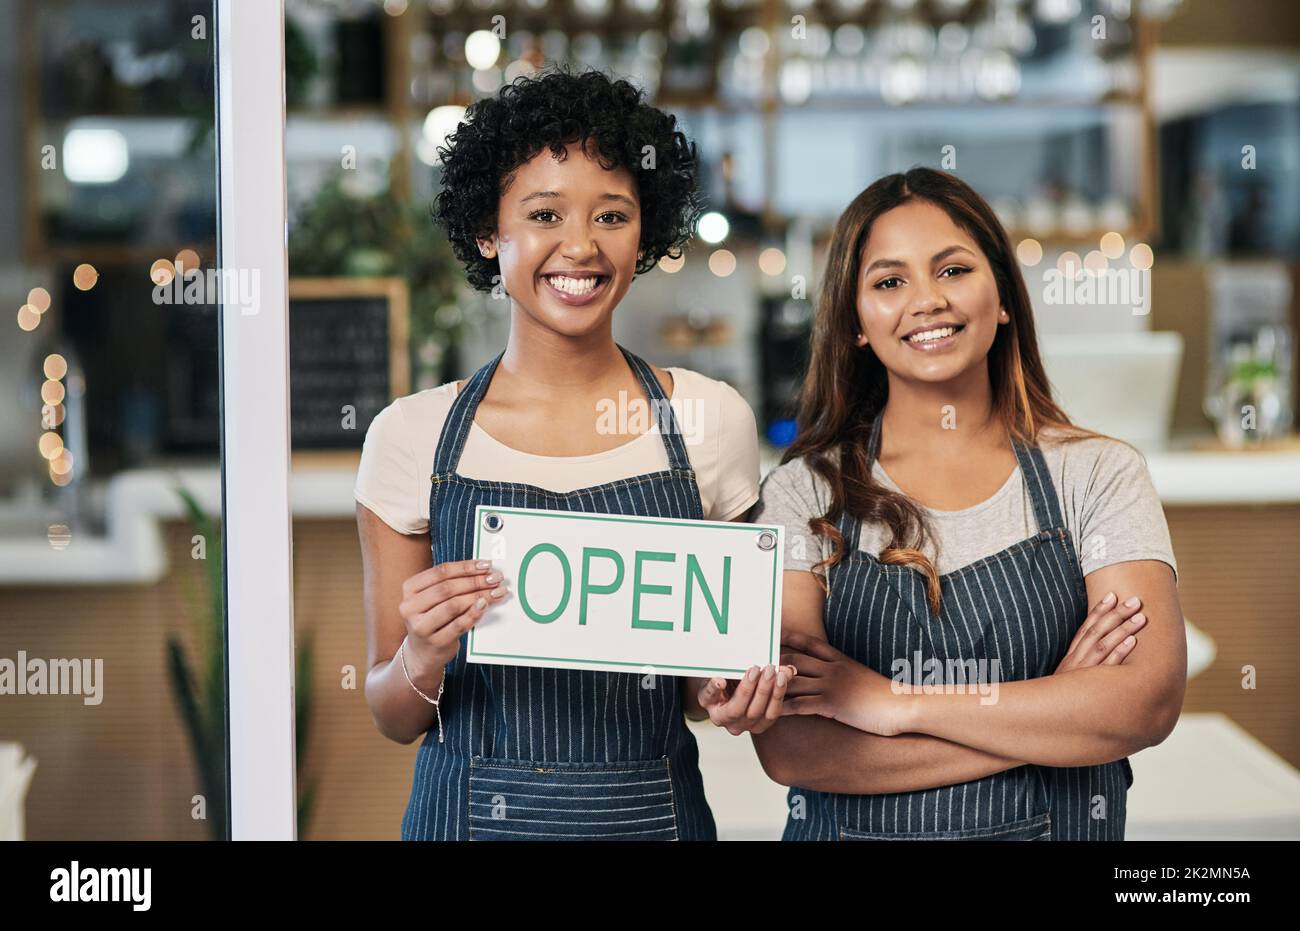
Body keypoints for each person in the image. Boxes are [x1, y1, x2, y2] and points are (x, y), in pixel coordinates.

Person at [354, 68, 789, 840]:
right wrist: (423, 650)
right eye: (544, 212)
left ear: (644, 230)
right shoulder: (411, 436)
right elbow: (391, 712)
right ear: (490, 233)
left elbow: (696, 684)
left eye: (612, 215)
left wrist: (730, 693)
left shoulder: (709, 423)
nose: (580, 246)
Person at [750, 167, 1186, 840]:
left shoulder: (1097, 474)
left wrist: (890, 702)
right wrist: (1055, 714)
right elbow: (794, 748)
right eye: (889, 281)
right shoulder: (804, 492)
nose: (926, 300)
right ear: (856, 322)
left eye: (952, 270)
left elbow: (1146, 702)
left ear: (1004, 296)